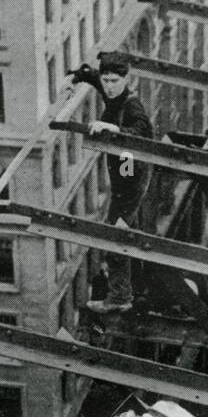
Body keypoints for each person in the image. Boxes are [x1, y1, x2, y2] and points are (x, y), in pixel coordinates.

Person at [67, 51, 153, 313]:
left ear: (127, 79)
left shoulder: (131, 106)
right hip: (122, 179)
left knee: (115, 237)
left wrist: (114, 129)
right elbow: (91, 76)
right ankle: (136, 291)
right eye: (106, 80)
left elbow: (141, 131)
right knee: (127, 234)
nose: (108, 86)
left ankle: (119, 298)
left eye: (115, 80)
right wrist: (75, 78)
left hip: (131, 181)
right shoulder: (110, 92)